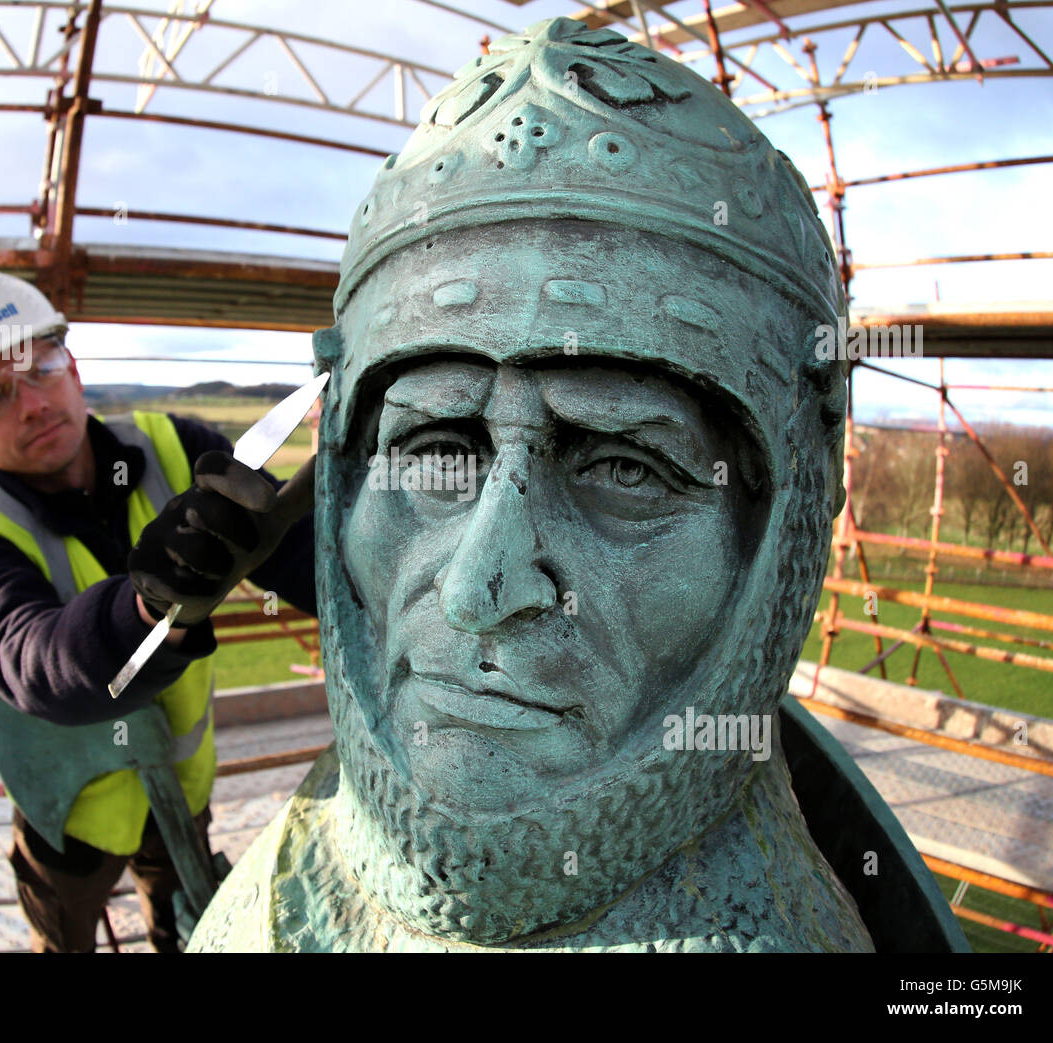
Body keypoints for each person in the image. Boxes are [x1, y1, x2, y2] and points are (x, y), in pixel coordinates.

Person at [189, 18, 966, 952]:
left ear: (780, 528)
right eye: (437, 452)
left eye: (625, 469)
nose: (481, 589)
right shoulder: (279, 891)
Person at [0, 268, 317, 952]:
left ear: (73, 369)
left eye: (41, 368)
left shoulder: (181, 448)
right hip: (71, 817)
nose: (33, 404)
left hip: (180, 796)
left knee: (189, 932)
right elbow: (36, 662)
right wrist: (148, 605)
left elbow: (304, 559)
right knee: (63, 935)